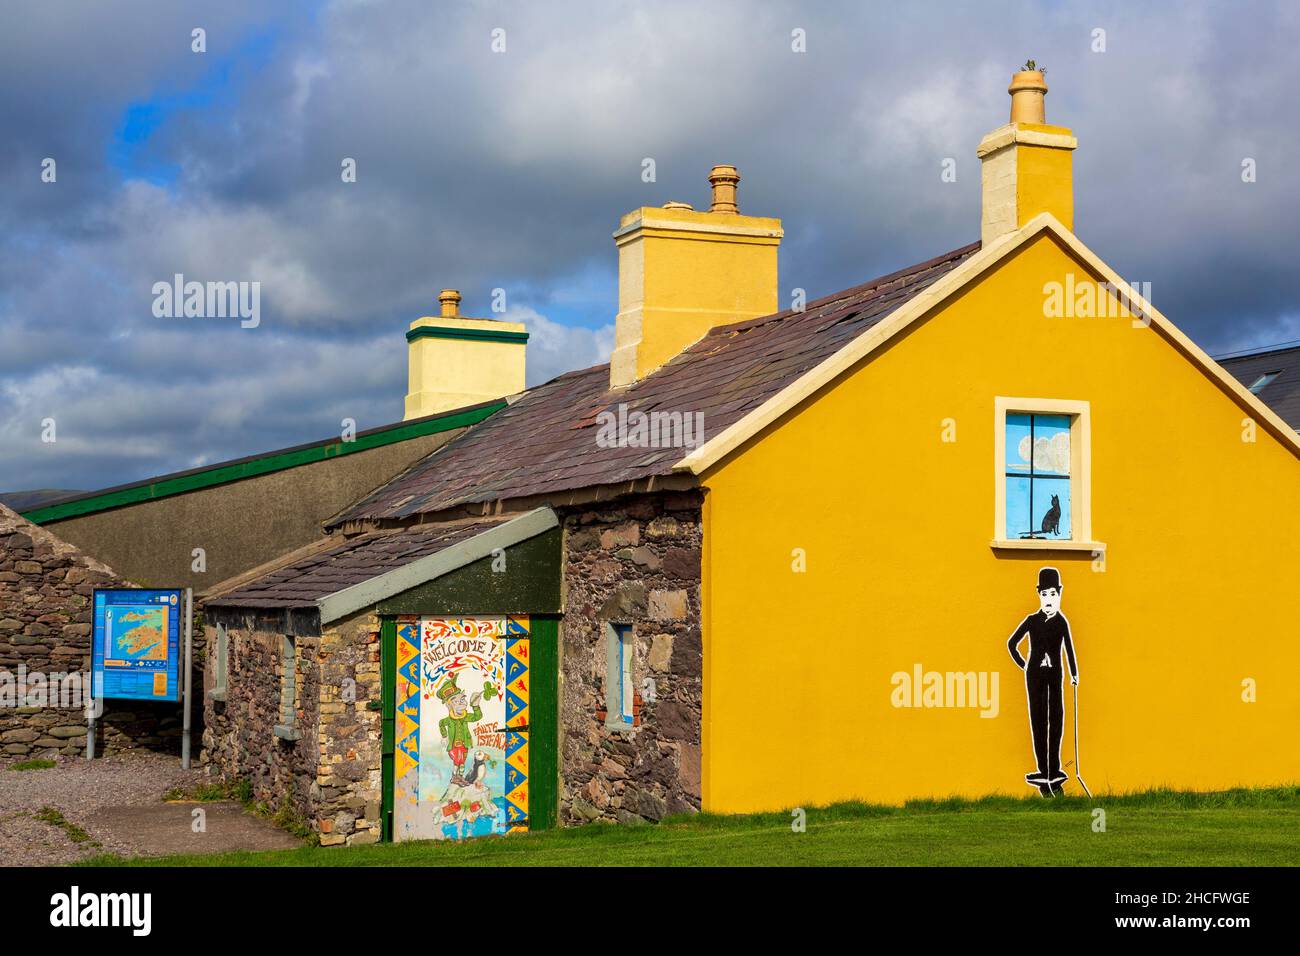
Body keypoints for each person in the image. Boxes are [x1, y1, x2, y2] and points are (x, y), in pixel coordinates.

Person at [1006, 567, 1079, 796]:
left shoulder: (1061, 622)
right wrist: (1025, 664)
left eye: (1053, 594)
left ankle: (1054, 772)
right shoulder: (1032, 621)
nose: (1048, 599)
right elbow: (1012, 644)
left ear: (1059, 594)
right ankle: (1043, 771)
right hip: (1035, 676)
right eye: (1044, 595)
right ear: (1039, 595)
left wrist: (1074, 673)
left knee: (1055, 719)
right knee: (1038, 720)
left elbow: (1068, 649)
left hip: (1055, 675)